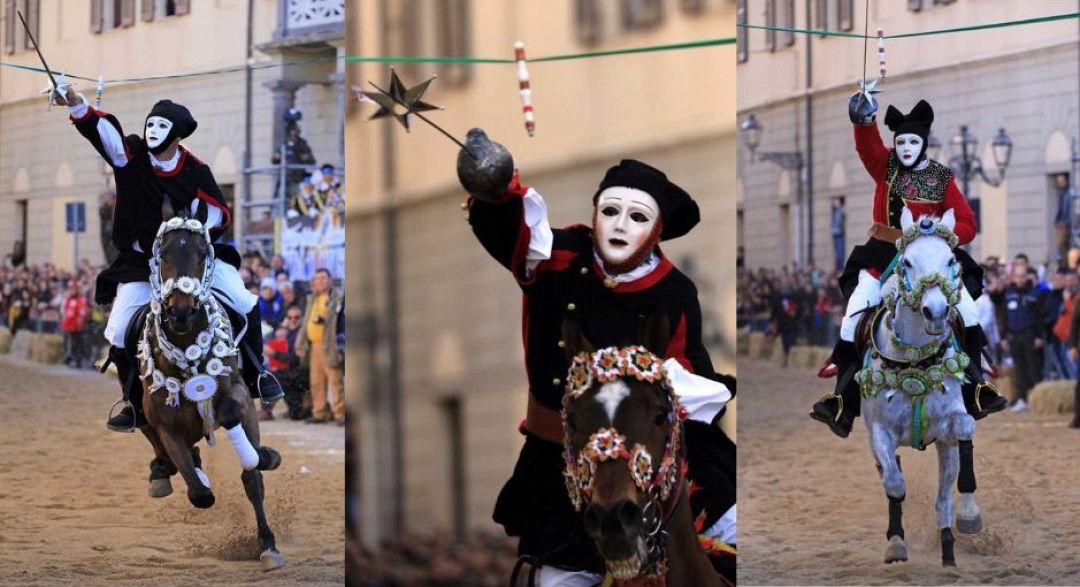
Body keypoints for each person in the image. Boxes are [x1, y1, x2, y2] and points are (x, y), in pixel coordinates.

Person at [460, 134, 736, 586]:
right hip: (562, 458)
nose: (621, 226)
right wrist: (497, 186)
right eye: (610, 211)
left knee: (734, 534)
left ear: (657, 230)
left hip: (653, 450)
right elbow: (509, 231)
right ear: (594, 215)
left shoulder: (675, 289)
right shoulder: (558, 256)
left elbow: (686, 366)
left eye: (637, 217)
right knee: (557, 581)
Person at [54, 86, 283, 432]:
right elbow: (105, 136)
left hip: (192, 257)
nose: (152, 131)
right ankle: (132, 403)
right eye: (151, 123)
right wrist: (77, 104)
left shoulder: (196, 170)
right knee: (117, 330)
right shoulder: (131, 155)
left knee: (244, 300)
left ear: (176, 135)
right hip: (143, 263)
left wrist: (193, 228)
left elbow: (219, 212)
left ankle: (257, 374)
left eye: (161, 126)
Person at [811, 95, 1006, 438]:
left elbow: (968, 223)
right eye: (900, 142)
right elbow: (867, 146)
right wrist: (863, 119)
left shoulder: (942, 178)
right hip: (883, 254)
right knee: (853, 315)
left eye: (912, 142)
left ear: (923, 144)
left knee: (970, 314)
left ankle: (977, 389)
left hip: (931, 259)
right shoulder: (884, 166)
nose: (905, 148)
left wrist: (945, 233)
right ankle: (841, 401)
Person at [992, 263, 1046, 412]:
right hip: (1013, 336)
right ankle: (1022, 398)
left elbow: (1040, 317)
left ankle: (1039, 400)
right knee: (1020, 369)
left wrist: (1039, 336)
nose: (1020, 279)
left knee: (1034, 368)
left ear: (1027, 276)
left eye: (1023, 275)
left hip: (1030, 335)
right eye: (1017, 276)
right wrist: (1003, 336)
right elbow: (1001, 311)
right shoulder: (1008, 292)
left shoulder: (1035, 292)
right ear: (1013, 277)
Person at [296, 268, 345, 425]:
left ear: (330, 280)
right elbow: (305, 323)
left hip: (330, 344)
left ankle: (341, 414)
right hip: (314, 345)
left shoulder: (337, 297)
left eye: (323, 278)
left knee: (335, 379)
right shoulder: (312, 299)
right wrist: (300, 342)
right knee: (316, 381)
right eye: (317, 279)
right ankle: (319, 413)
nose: (320, 281)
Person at [60, 280, 90, 369]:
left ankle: (77, 361)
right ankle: (68, 358)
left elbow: (83, 312)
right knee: (68, 343)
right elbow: (64, 310)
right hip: (68, 325)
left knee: (77, 344)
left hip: (77, 326)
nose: (72, 291)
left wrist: (79, 320)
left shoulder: (80, 300)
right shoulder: (68, 299)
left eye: (73, 289)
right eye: (71, 289)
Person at [831, 197, 847, 273]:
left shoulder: (841, 210)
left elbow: (844, 216)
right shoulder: (834, 212)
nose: (833, 203)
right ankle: (838, 267)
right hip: (835, 234)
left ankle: (840, 267)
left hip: (839, 233)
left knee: (840, 251)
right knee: (837, 252)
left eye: (835, 201)